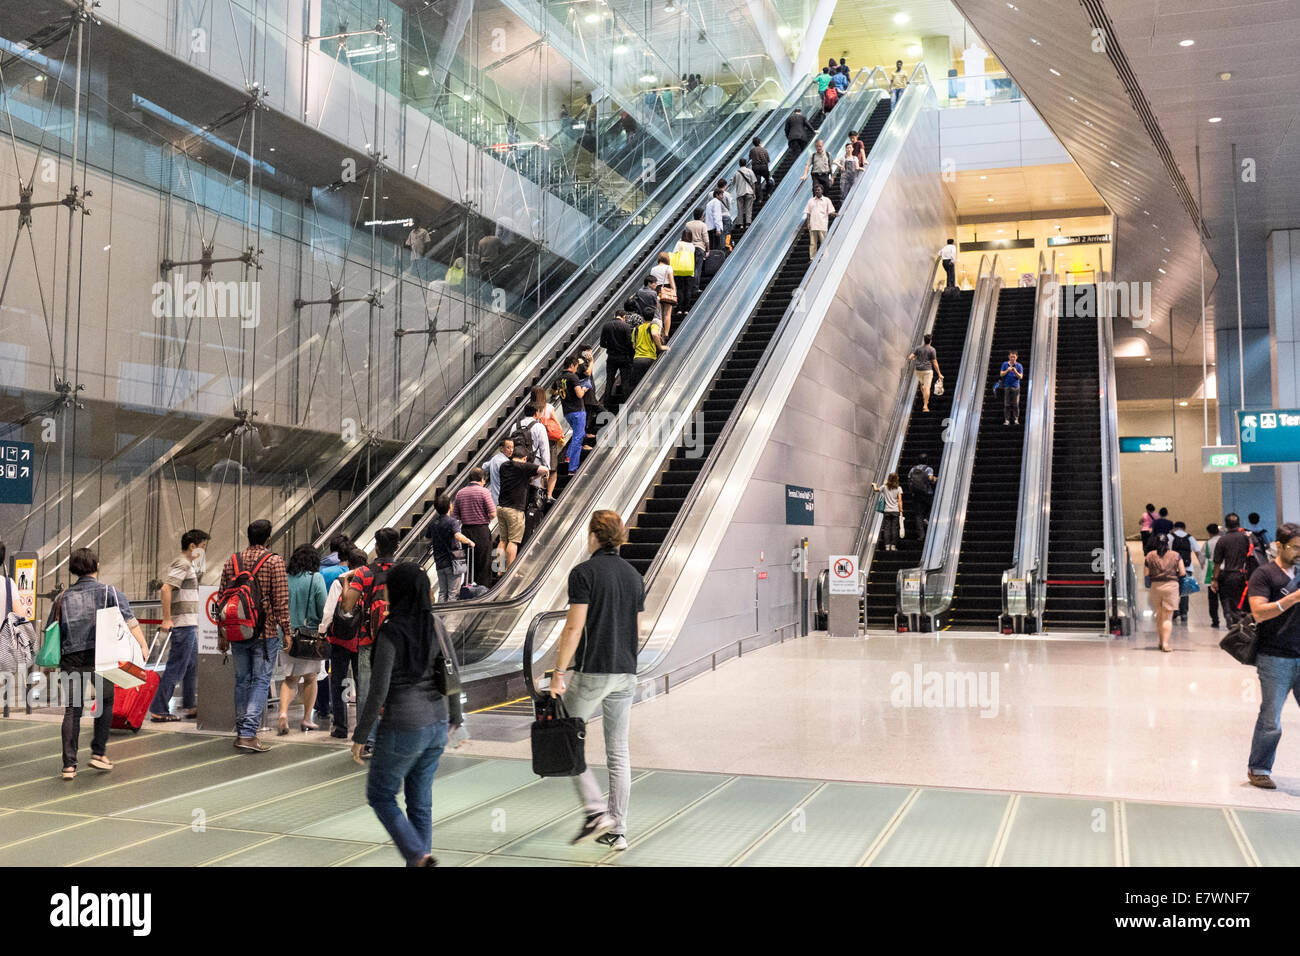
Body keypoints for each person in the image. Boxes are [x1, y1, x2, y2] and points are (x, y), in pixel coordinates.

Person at [353, 562, 460, 865]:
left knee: (381, 795)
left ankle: (417, 855)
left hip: (403, 726)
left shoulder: (390, 631)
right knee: (420, 801)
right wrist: (456, 717)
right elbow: (453, 673)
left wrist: (361, 735)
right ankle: (421, 858)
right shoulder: (436, 625)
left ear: (399, 591)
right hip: (437, 724)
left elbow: (378, 689)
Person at [550, 511, 644, 850]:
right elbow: (634, 627)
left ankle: (594, 811)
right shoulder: (634, 576)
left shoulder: (584, 573)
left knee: (564, 735)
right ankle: (617, 829)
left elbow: (574, 627)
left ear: (593, 535)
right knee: (618, 751)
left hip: (593, 671)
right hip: (626, 672)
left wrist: (559, 674)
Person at [48, 547, 148, 779]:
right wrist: (142, 645)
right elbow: (129, 620)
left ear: (73, 569)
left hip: (70, 657)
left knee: (72, 709)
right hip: (101, 657)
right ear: (97, 565)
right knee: (104, 701)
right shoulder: (109, 592)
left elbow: (53, 628)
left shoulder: (62, 597)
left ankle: (69, 766)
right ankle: (98, 753)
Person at [219, 520, 291, 753]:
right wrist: (287, 630)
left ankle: (242, 731)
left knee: (242, 680)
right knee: (261, 680)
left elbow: (222, 598)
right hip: (265, 631)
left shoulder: (233, 561)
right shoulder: (274, 561)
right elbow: (280, 600)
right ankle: (249, 734)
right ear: (268, 538)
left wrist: (222, 633)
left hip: (237, 630)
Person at [1244, 522, 1300, 790]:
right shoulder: (1264, 574)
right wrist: (1293, 598)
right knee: (1271, 718)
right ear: (1279, 545)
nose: (1299, 552)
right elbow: (1259, 612)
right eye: (1295, 548)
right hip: (1275, 657)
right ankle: (1259, 769)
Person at [338, 527, 400, 758]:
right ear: (397, 547)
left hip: (368, 639)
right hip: (396, 641)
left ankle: (367, 742)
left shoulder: (364, 572)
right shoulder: (403, 572)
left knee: (366, 692)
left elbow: (347, 605)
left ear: (376, 547)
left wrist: (346, 581)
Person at [148, 528, 208, 722]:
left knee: (191, 665)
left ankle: (190, 705)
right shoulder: (182, 563)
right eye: (202, 547)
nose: (203, 552)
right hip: (183, 624)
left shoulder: (187, 565)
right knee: (176, 666)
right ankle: (159, 708)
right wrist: (167, 618)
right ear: (193, 546)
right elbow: (166, 588)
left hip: (188, 623)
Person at [279, 544, 327, 734]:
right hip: (309, 637)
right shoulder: (316, 579)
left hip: (286, 635)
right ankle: (306, 718)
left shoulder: (284, 578)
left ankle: (283, 713)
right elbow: (323, 607)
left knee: (290, 678)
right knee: (310, 677)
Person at [324, 547, 368, 738]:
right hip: (363, 639)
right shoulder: (369, 581)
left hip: (340, 639)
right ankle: (362, 727)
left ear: (348, 564)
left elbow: (329, 611)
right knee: (363, 683)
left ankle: (341, 727)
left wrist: (322, 632)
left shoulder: (340, 582)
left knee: (339, 682)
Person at [498, 445, 549, 567]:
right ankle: (509, 571)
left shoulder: (504, 466)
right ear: (524, 458)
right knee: (514, 541)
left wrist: (527, 478)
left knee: (502, 540)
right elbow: (545, 470)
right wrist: (534, 477)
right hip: (515, 509)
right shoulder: (523, 466)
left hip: (501, 507)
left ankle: (499, 569)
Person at [453, 470, 496, 587]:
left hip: (466, 531)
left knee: (470, 562)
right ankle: (483, 590)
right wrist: (485, 518)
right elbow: (493, 513)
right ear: (482, 478)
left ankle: (469, 588)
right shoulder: (484, 492)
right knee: (484, 562)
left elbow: (455, 515)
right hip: (481, 530)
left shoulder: (460, 493)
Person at [427, 494, 474, 602]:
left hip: (439, 562)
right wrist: (470, 542)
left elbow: (427, 537)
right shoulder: (452, 522)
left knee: (442, 592)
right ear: (450, 506)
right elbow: (457, 535)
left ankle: (439, 617)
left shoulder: (433, 523)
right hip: (452, 562)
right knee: (453, 593)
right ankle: (449, 618)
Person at [1212, 513, 1256, 625]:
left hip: (1230, 576)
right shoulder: (1247, 538)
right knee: (1246, 603)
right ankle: (1246, 624)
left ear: (1226, 525)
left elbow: (1217, 562)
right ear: (1239, 523)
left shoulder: (1223, 540)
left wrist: (1214, 580)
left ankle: (1235, 624)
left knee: (1232, 603)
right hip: (1248, 576)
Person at [1144, 533, 1184, 653]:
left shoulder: (1150, 555)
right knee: (1167, 617)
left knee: (1160, 615)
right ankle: (1166, 644)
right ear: (1168, 543)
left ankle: (1161, 642)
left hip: (1156, 586)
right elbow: (1182, 572)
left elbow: (1146, 574)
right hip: (1171, 586)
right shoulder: (1176, 555)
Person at [600, 310, 636, 412]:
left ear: (615, 315)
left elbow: (602, 343)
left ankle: (606, 404)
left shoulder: (606, 326)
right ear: (623, 317)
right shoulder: (626, 327)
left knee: (610, 381)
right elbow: (629, 344)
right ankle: (626, 404)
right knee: (625, 381)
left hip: (611, 358)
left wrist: (611, 347)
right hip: (624, 357)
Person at [558, 354, 588, 474]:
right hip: (577, 411)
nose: (576, 369)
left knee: (577, 434)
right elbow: (579, 394)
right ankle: (572, 468)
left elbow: (554, 391)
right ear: (572, 365)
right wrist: (585, 388)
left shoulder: (560, 378)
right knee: (578, 437)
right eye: (576, 366)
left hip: (567, 412)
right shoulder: (573, 377)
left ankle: (568, 457)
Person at [1169, 521, 1202, 625]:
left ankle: (1174, 611)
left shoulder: (1170, 536)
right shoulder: (1190, 537)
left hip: (1172, 568)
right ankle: (1184, 613)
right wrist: (1202, 565)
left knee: (1173, 590)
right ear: (1184, 528)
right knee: (1185, 591)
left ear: (1175, 528)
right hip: (1187, 568)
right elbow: (1197, 551)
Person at [631, 310, 669, 388]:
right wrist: (660, 347)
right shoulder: (653, 326)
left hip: (637, 359)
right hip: (649, 358)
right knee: (652, 383)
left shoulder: (636, 329)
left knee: (639, 384)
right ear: (652, 317)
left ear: (643, 317)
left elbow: (633, 345)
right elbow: (654, 334)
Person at [908, 333, 942, 413]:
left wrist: (913, 360)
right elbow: (935, 362)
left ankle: (925, 397)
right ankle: (925, 406)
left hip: (918, 370)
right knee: (927, 388)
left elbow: (910, 357)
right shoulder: (932, 349)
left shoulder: (918, 348)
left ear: (924, 340)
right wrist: (939, 373)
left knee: (922, 386)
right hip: (927, 371)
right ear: (930, 341)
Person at [802, 183, 836, 261]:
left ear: (822, 191)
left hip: (822, 224)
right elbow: (808, 213)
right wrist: (808, 223)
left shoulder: (826, 200)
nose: (817, 191)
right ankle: (812, 258)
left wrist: (834, 214)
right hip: (813, 224)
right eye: (816, 190)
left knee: (824, 242)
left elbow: (830, 211)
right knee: (813, 243)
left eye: (818, 190)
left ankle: (825, 257)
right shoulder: (811, 201)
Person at [907, 453, 937, 543]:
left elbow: (909, 480)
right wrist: (936, 479)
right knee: (934, 506)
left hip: (916, 494)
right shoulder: (928, 469)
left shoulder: (913, 469)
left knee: (918, 515)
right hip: (927, 493)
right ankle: (927, 519)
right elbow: (931, 479)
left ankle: (921, 536)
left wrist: (912, 491)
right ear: (927, 460)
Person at [872, 474, 903, 551]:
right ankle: (893, 546)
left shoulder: (884, 487)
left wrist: (874, 485)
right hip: (895, 511)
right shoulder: (898, 488)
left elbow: (876, 490)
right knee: (894, 529)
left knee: (886, 528)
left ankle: (887, 546)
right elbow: (899, 501)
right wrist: (901, 511)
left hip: (887, 511)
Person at [650, 251, 677, 339]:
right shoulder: (668, 268)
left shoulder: (653, 269)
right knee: (667, 313)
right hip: (667, 290)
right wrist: (674, 293)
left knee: (659, 314)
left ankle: (659, 332)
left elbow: (652, 283)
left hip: (657, 291)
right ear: (666, 259)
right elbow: (672, 283)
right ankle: (666, 334)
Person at [484, 436, 514, 506]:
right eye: (508, 447)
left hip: (493, 498)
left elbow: (484, 467)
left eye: (512, 447)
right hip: (504, 499)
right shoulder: (506, 463)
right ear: (501, 448)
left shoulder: (494, 458)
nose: (511, 450)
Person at [997, 350, 1024, 425]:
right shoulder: (1005, 364)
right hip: (1007, 386)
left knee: (1015, 404)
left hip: (1016, 387)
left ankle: (1016, 419)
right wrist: (1007, 370)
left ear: (1016, 357)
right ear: (1009, 357)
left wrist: (1015, 371)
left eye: (1014, 357)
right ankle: (1007, 419)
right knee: (1007, 404)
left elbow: (1021, 376)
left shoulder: (1019, 365)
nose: (1012, 358)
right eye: (1011, 357)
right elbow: (1001, 374)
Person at [1204, 522, 1222, 628]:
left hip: (1211, 571)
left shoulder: (1207, 543)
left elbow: (1202, 558)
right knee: (1226, 597)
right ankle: (1229, 617)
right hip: (1226, 571)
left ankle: (1215, 620)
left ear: (1209, 533)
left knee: (1212, 598)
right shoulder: (1225, 541)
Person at [731, 159, 756, 232]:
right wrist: (754, 193)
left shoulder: (736, 173)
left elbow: (733, 183)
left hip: (740, 193)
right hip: (749, 192)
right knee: (748, 208)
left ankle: (741, 225)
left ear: (739, 164)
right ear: (746, 163)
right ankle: (748, 224)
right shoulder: (750, 171)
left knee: (740, 209)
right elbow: (753, 183)